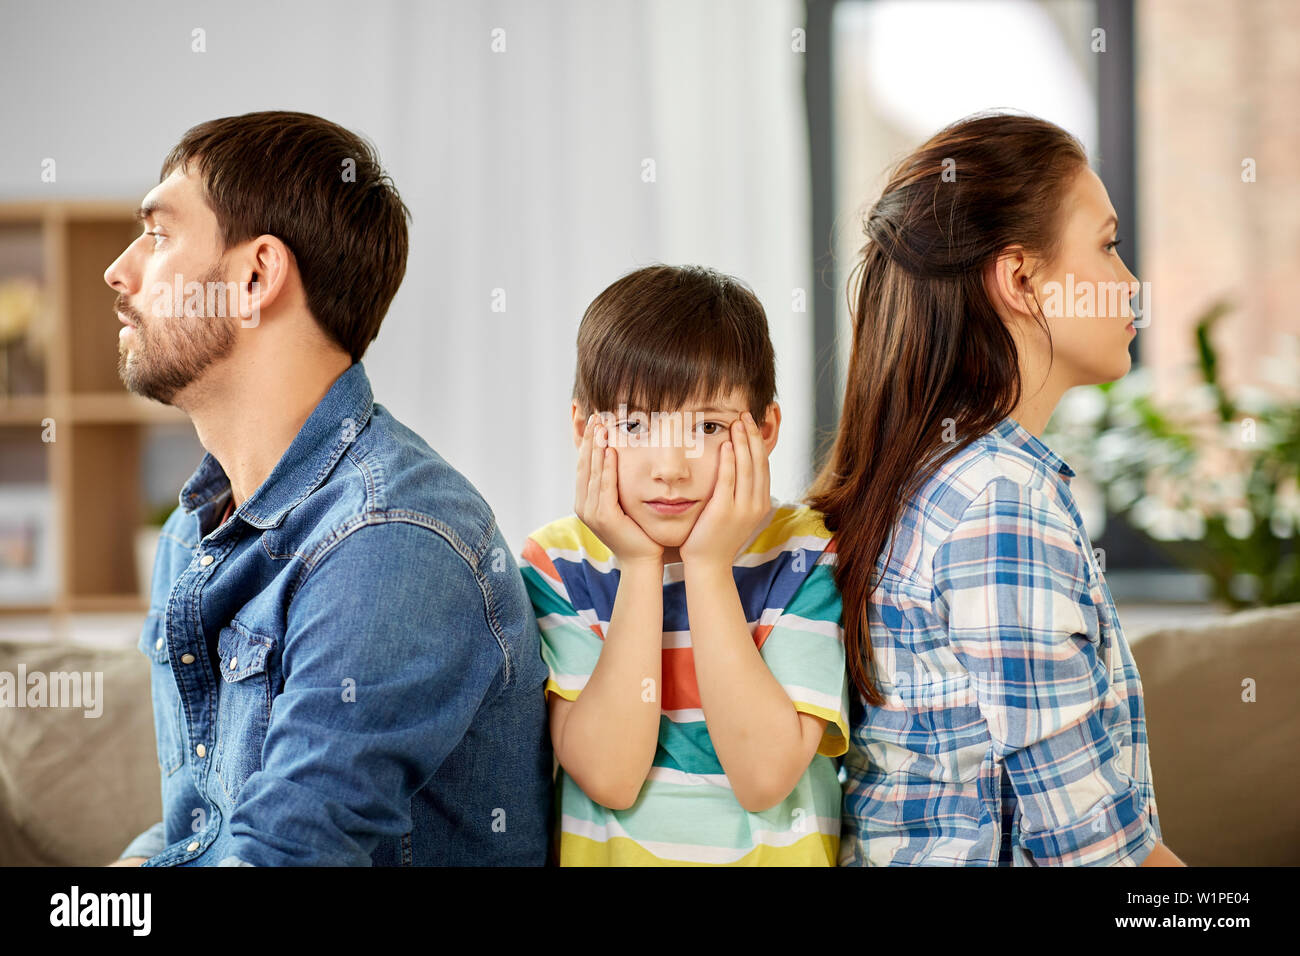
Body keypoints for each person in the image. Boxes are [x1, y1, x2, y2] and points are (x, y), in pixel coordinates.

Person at [104, 110, 552, 866]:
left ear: (254, 279)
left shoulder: (391, 540)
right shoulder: (195, 531)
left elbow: (281, 857)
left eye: (158, 235)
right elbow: (197, 831)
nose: (120, 270)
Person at [809, 111, 1186, 866]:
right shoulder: (1000, 504)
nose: (1131, 283)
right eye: (1108, 247)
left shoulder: (945, 479)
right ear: (1020, 280)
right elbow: (1095, 854)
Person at [519, 265, 849, 865]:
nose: (670, 466)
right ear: (583, 429)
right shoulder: (560, 562)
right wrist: (640, 566)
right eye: (635, 424)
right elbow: (610, 777)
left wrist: (707, 565)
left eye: (707, 426)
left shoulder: (801, 554)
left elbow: (764, 777)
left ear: (766, 429)